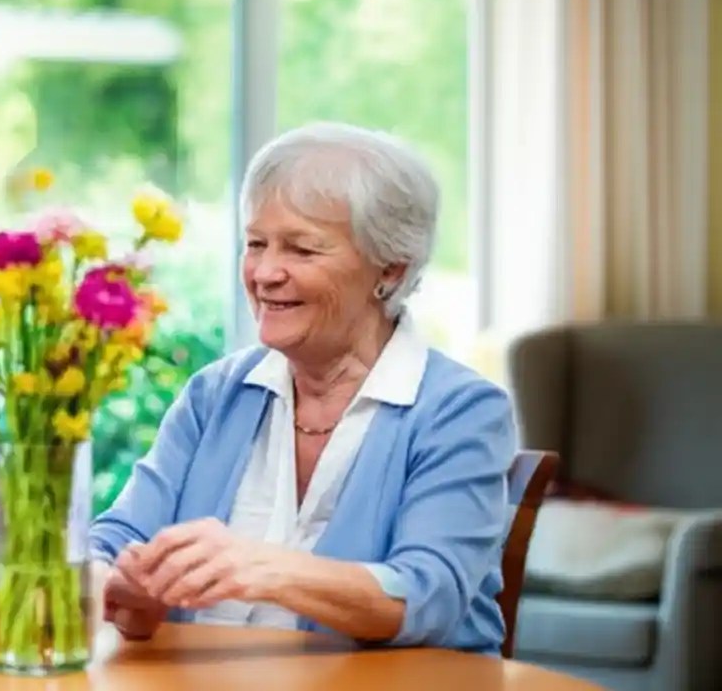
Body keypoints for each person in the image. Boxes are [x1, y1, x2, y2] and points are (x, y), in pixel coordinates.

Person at [90, 122, 517, 655]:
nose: (265, 272)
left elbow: (427, 597)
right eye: (256, 244)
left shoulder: (461, 411)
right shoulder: (215, 394)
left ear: (390, 268)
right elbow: (113, 541)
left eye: (301, 250)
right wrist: (117, 585)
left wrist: (266, 569)